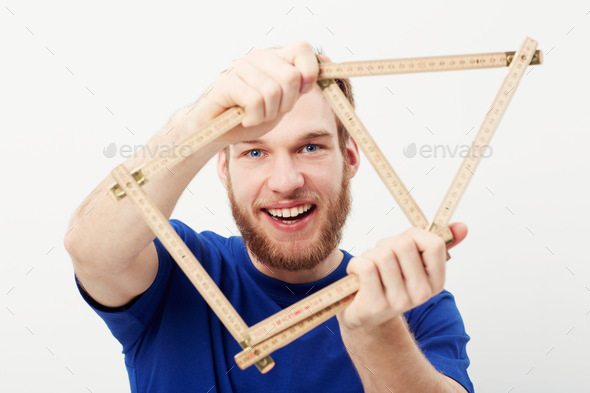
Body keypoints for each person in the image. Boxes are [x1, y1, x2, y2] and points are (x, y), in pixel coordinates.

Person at [65, 41, 474, 393]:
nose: (285, 181)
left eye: (310, 148)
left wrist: (373, 333)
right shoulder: (179, 271)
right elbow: (89, 250)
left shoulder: (413, 303)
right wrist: (192, 127)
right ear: (224, 167)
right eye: (254, 152)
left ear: (349, 159)